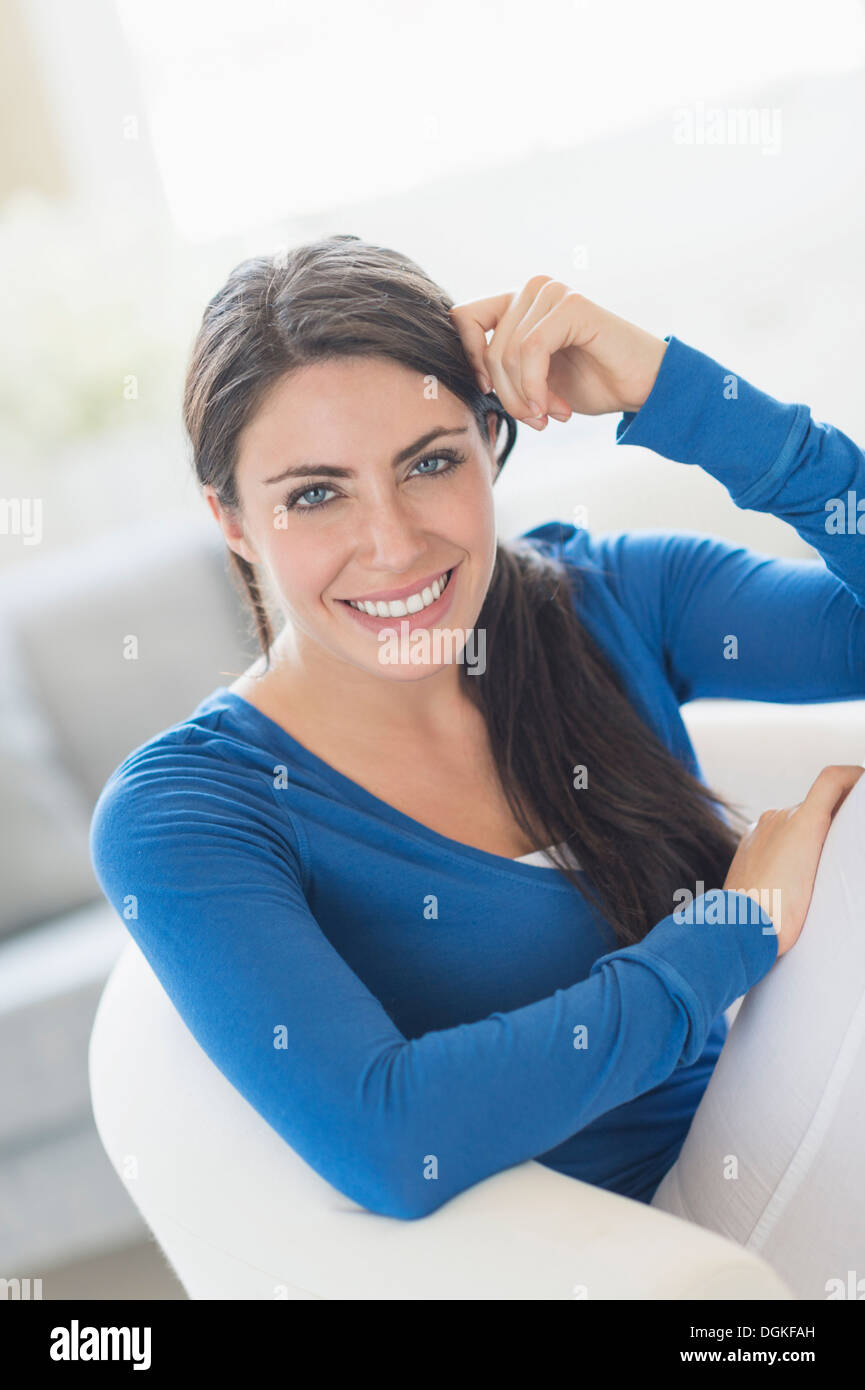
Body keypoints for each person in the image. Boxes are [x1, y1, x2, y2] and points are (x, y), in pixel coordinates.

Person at [89, 236, 864, 1288]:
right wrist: (733, 930)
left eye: (430, 462)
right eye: (316, 495)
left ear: (491, 440)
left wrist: (673, 386)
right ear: (230, 519)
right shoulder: (192, 807)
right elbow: (392, 1138)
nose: (396, 543)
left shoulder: (606, 597)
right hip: (660, 1261)